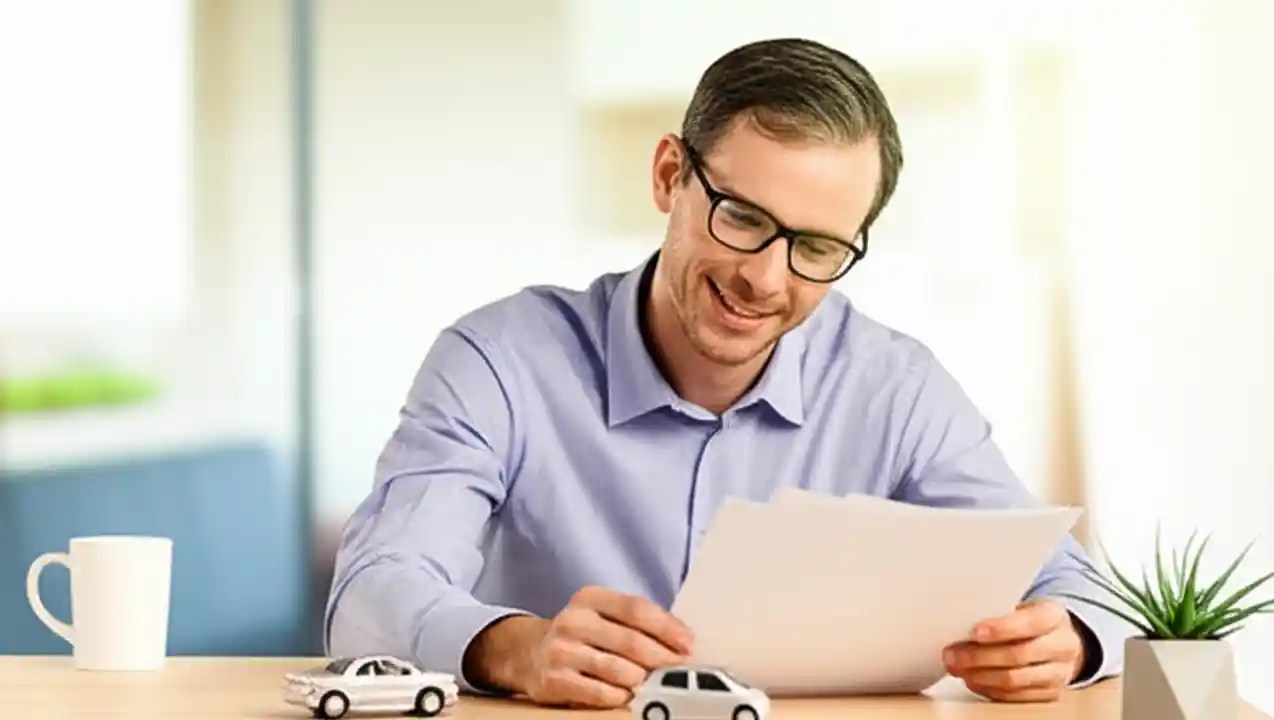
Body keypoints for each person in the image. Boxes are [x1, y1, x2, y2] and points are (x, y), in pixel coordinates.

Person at [325, 37, 1128, 707]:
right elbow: (371, 592)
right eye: (742, 217)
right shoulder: (500, 360)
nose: (766, 280)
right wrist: (515, 649)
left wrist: (1069, 639)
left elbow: (1079, 587)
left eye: (817, 247)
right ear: (669, 176)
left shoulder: (897, 387)